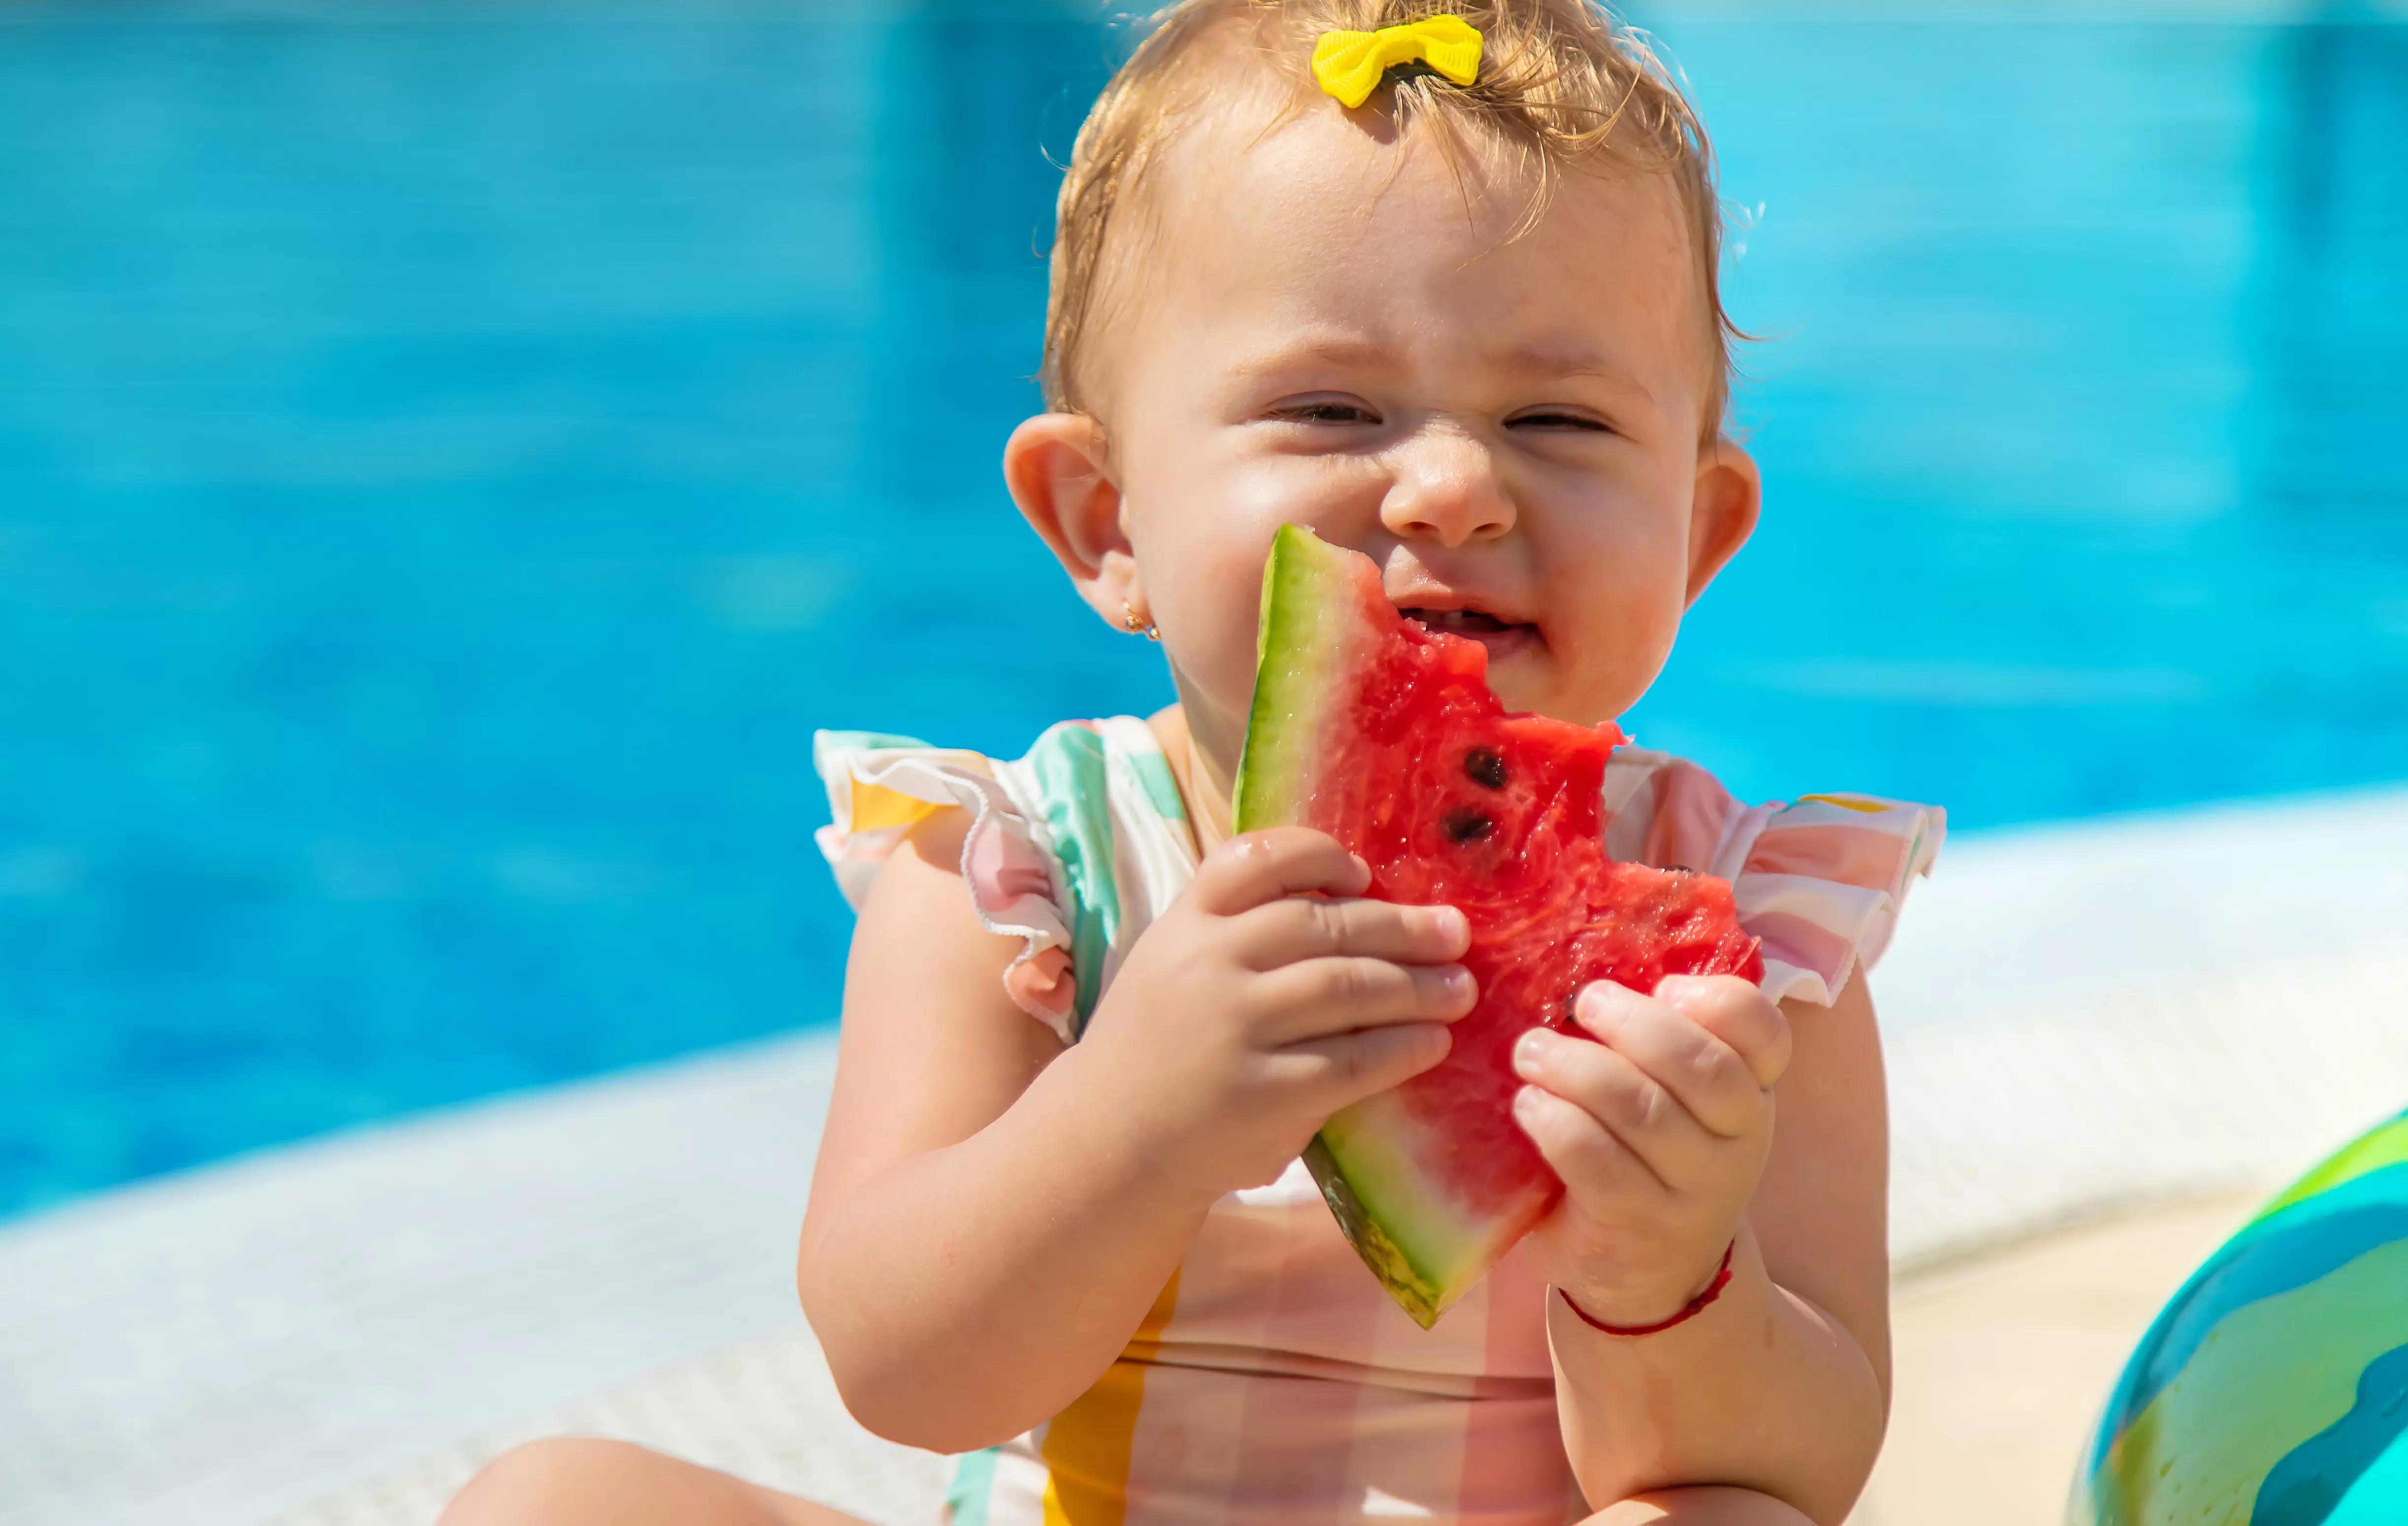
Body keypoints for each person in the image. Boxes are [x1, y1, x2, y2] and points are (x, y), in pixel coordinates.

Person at [441, 2, 1943, 1523]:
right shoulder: (1015, 877)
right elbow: (907, 1378)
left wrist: (1669, 1277)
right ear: (1105, 520)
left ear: (1700, 537)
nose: (1456, 487)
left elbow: (1802, 1468)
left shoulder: (1753, 936)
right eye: (1332, 410)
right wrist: (1133, 1120)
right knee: (546, 1501)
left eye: (1557, 417)